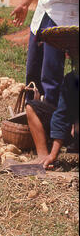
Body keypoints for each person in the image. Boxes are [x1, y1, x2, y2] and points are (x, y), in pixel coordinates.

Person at [11, 0, 78, 106]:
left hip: (64, 15)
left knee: (51, 76)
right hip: (42, 12)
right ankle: (31, 110)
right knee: (33, 70)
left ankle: (49, 115)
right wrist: (25, 3)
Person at [25, 26, 79, 168]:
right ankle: (43, 156)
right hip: (74, 131)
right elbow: (62, 114)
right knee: (32, 107)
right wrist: (53, 154)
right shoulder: (71, 79)